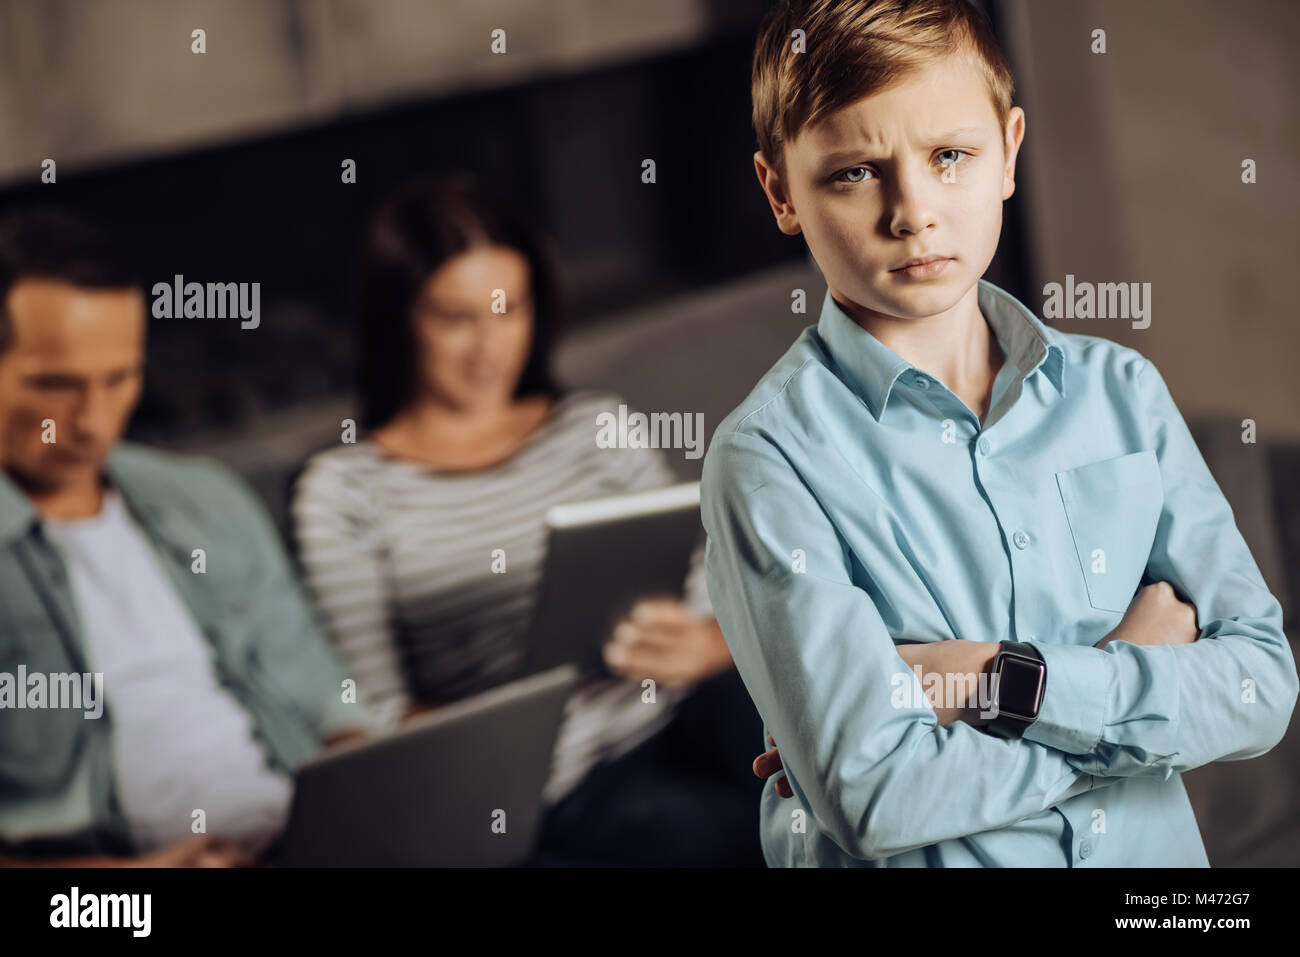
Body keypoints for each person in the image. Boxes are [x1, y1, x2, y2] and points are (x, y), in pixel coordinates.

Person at [702, 0, 1298, 867]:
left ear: (1010, 151)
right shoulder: (766, 460)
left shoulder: (1120, 392)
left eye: (950, 156)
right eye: (856, 172)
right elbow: (875, 795)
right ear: (780, 192)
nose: (913, 211)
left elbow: (1260, 686)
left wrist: (985, 675)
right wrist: (1123, 681)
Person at [291, 173, 764, 866]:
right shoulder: (344, 488)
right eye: (455, 318)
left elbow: (705, 590)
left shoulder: (595, 424)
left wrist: (705, 642)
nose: (489, 346)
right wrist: (486, 727)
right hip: (556, 774)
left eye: (508, 308)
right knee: (712, 831)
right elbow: (374, 707)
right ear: (400, 320)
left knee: (822, 745)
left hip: (685, 700)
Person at [0, 209, 374, 867]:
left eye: (120, 378)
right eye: (56, 384)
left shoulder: (204, 499)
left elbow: (331, 706)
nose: (92, 421)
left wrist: (379, 794)